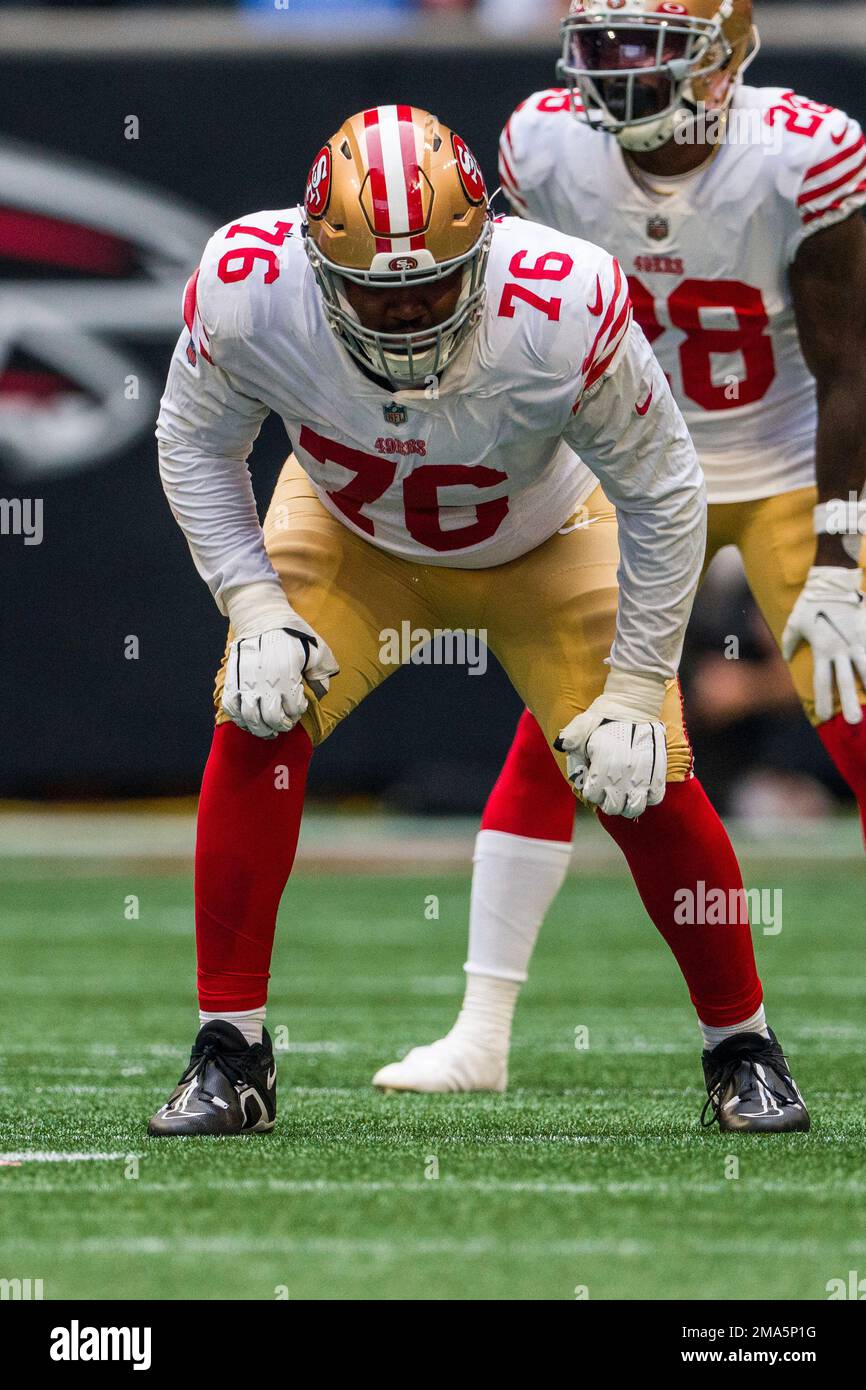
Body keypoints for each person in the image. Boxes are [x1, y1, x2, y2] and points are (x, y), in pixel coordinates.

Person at [151, 102, 806, 1138]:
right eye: (376, 293)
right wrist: (253, 599)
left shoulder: (562, 300)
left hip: (543, 543)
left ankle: (743, 1046)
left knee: (643, 771)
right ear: (317, 268)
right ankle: (231, 1051)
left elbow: (665, 490)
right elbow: (192, 444)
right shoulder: (248, 287)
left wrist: (639, 683)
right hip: (348, 534)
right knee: (255, 711)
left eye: (429, 289)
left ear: (486, 243)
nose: (406, 318)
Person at [372, 0, 866, 1108]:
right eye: (601, 44)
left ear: (724, 58)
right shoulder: (544, 143)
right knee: (562, 728)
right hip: (633, 465)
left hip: (785, 460)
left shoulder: (802, 151)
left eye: (652, 48)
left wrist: (839, 554)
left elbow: (849, 359)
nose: (619, 72)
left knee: (854, 704)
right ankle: (480, 1030)